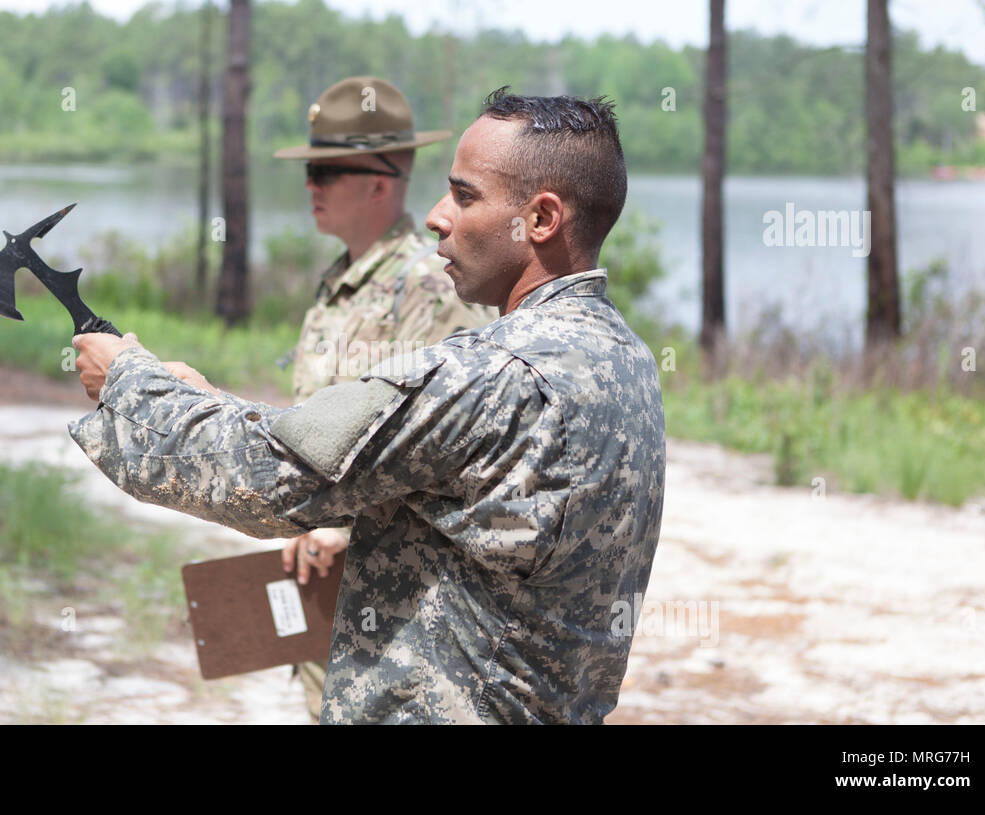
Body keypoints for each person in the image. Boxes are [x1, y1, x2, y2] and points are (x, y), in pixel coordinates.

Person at [69, 87, 666, 724]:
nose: (438, 215)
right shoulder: (625, 358)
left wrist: (129, 383)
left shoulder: (486, 374)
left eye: (465, 197)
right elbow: (374, 452)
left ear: (541, 221)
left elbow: (267, 478)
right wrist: (210, 402)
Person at [271, 76, 496, 717]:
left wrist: (347, 528)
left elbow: (463, 449)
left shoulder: (431, 287)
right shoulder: (343, 277)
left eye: (324, 171)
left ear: (379, 181)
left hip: (400, 611)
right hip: (333, 598)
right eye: (308, 170)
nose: (309, 186)